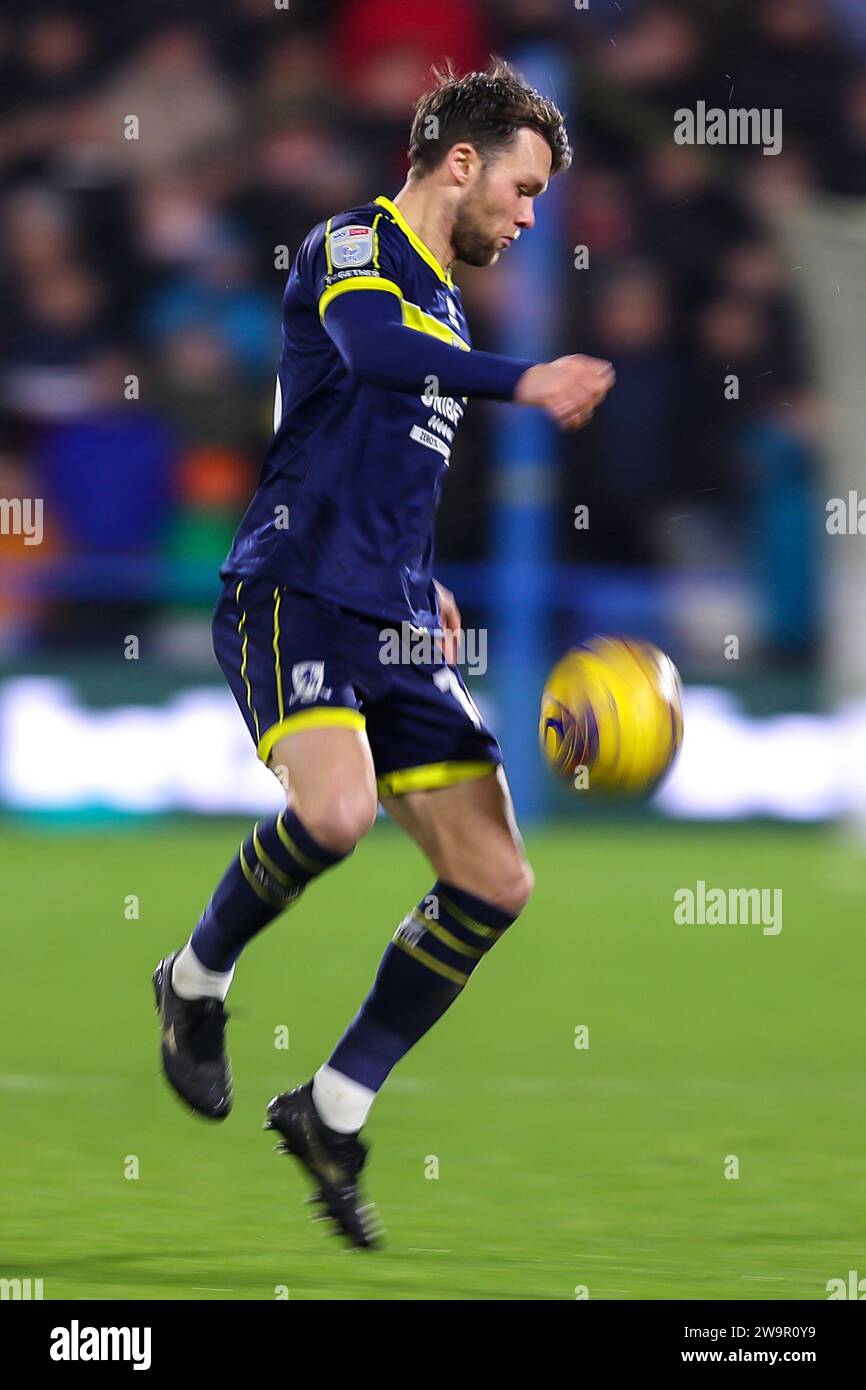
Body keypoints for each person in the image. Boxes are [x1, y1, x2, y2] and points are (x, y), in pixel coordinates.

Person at [153, 57, 614, 1248]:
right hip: (290, 591)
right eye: (518, 190)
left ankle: (334, 1106)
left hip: (392, 617)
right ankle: (194, 981)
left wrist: (426, 585)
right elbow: (364, 353)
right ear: (459, 161)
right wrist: (528, 379)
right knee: (337, 815)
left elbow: (385, 462)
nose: (525, 216)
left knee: (496, 880)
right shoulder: (347, 247)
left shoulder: (453, 311)